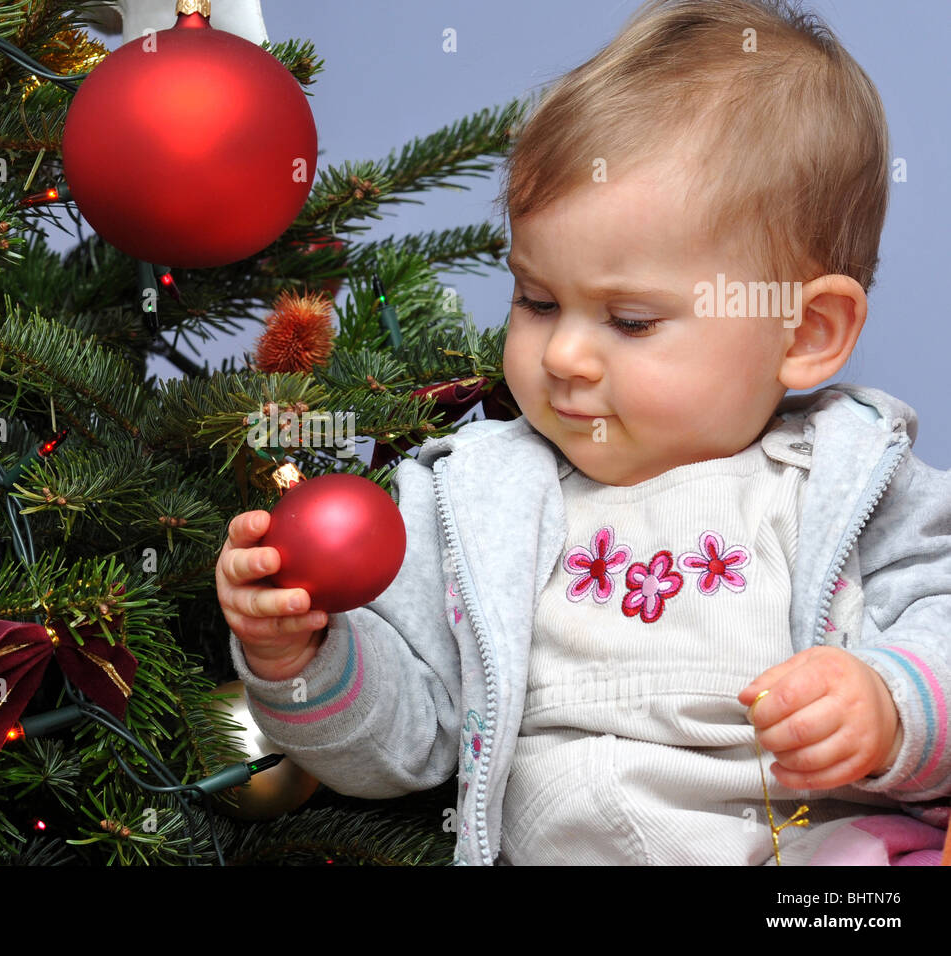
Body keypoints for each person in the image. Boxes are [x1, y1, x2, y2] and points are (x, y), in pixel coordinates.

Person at [214, 0, 951, 864]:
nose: (563, 353)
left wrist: (890, 703)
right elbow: (400, 750)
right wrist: (296, 652)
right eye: (536, 300)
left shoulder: (851, 483)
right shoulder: (474, 499)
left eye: (631, 321)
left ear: (805, 330)